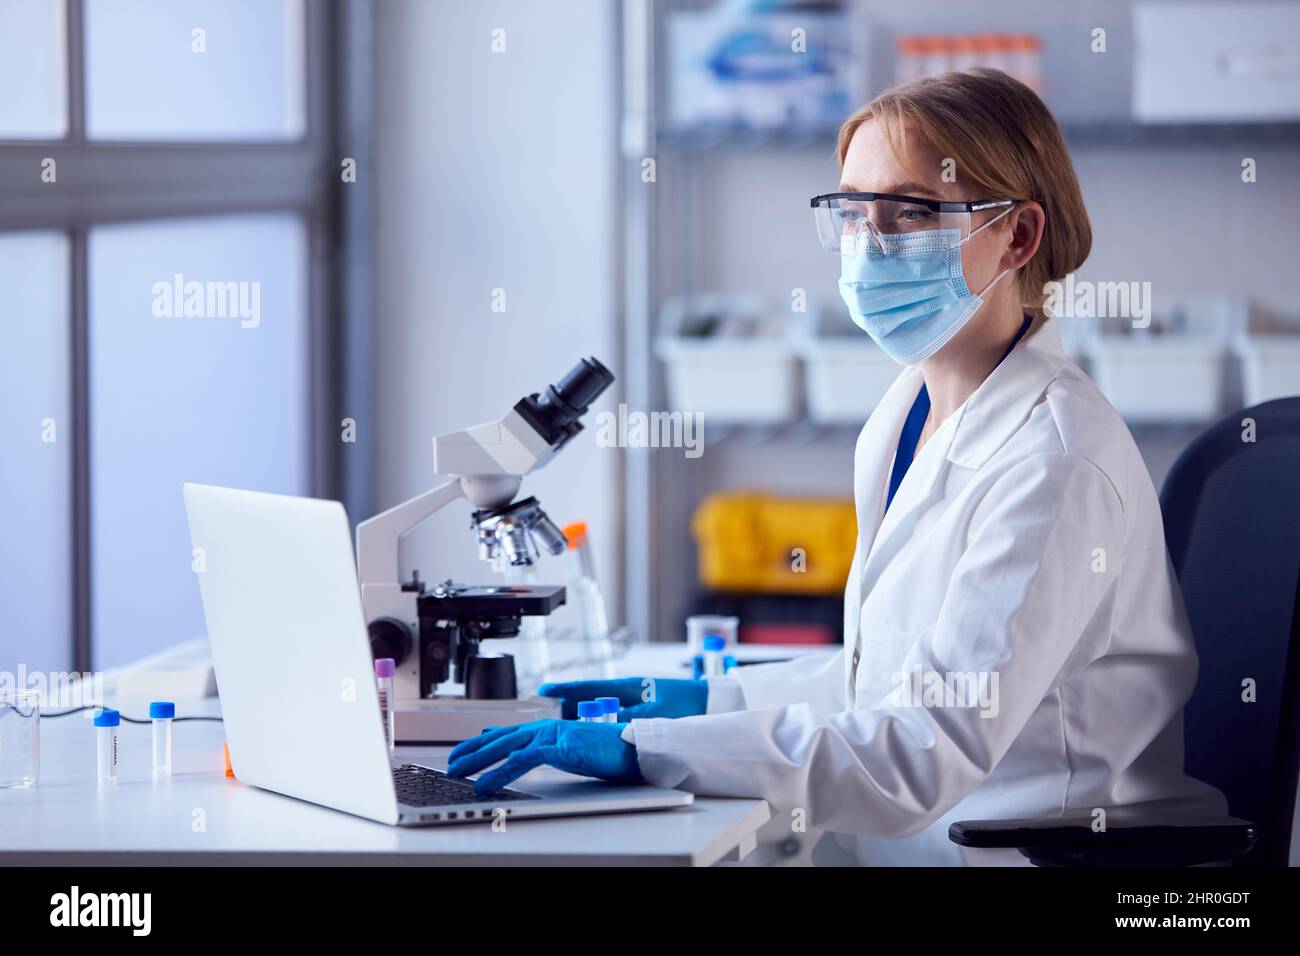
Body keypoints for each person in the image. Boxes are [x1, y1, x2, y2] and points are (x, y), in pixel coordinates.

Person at [447, 69, 1225, 865]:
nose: (869, 240)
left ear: (1019, 237)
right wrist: (699, 701)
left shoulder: (1056, 463)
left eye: (913, 210)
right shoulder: (906, 411)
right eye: (852, 209)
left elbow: (921, 747)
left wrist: (646, 751)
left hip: (1027, 853)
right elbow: (882, 682)